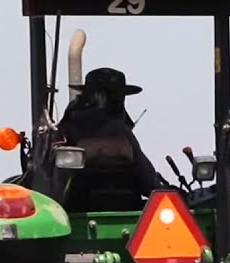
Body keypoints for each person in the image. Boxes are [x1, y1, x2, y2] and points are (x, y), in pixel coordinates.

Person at [59, 67, 161, 196]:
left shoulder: (66, 130)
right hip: (125, 205)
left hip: (69, 207)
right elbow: (149, 184)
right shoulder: (122, 133)